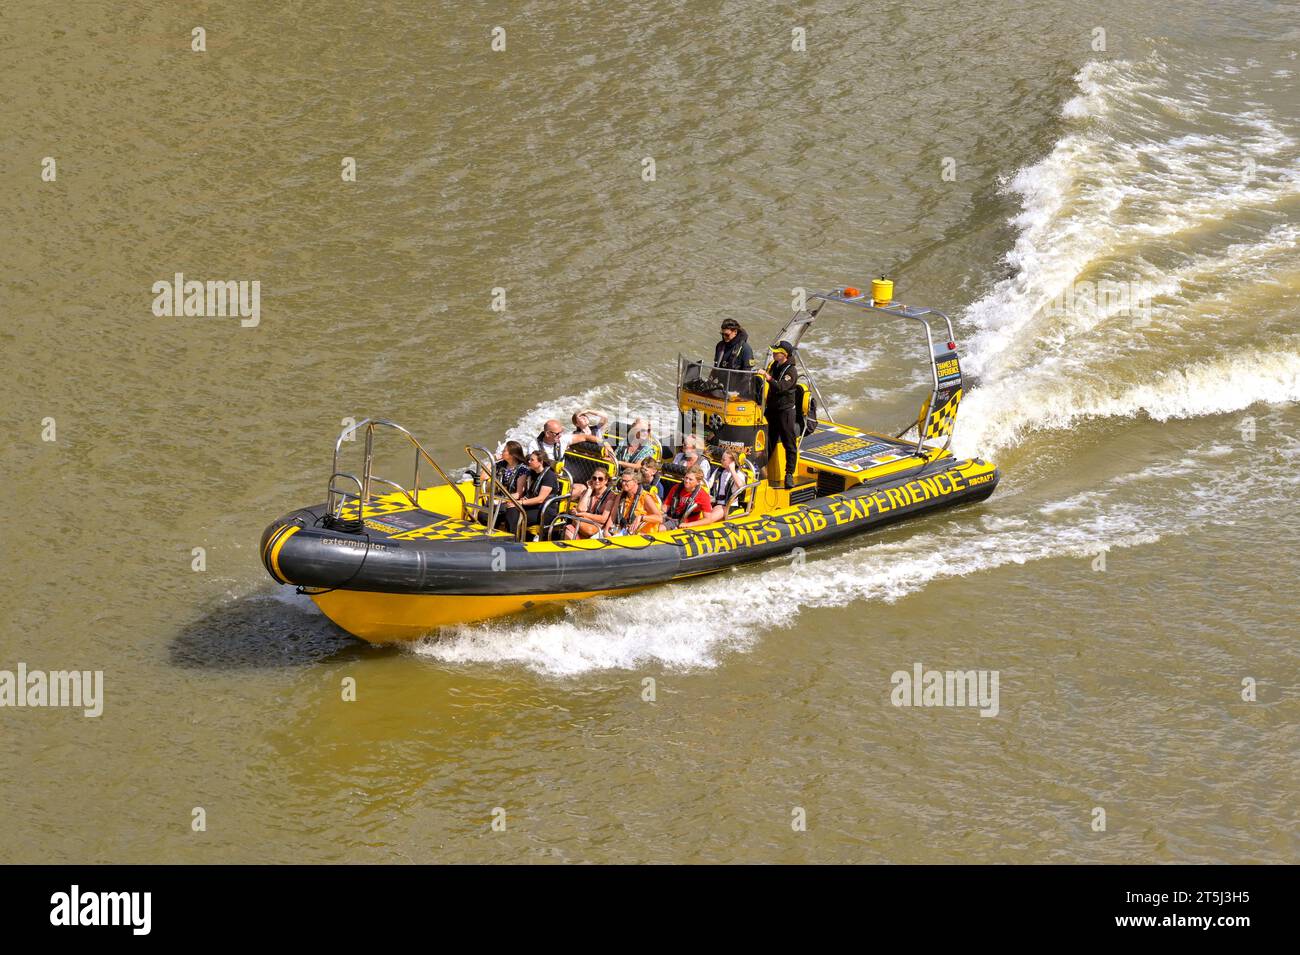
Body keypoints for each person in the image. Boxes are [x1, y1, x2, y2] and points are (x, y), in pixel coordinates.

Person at [763, 340, 800, 489]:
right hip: (772, 410)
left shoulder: (791, 371)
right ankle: (761, 470)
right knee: (768, 441)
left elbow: (781, 387)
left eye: (776, 351)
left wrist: (768, 378)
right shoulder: (774, 365)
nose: (773, 353)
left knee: (789, 443)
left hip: (785, 411)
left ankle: (789, 473)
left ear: (783, 354)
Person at [498, 450, 560, 538]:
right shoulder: (533, 473)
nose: (529, 462)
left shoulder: (549, 476)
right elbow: (530, 492)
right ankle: (511, 537)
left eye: (532, 460)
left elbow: (540, 499)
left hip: (544, 510)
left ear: (541, 462)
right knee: (509, 509)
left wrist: (520, 503)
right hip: (532, 506)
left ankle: (513, 540)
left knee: (514, 514)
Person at [564, 466, 616, 539]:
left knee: (576, 525)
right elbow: (581, 509)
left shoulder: (610, 496)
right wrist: (589, 490)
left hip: (596, 527)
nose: (597, 481)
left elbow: (603, 519)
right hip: (583, 522)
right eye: (594, 478)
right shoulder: (587, 492)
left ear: (606, 481)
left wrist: (583, 514)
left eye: (600, 479)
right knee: (568, 531)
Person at [701, 447, 747, 524]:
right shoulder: (719, 471)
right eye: (721, 459)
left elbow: (741, 486)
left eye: (724, 460)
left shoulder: (738, 473)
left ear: (732, 462)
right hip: (716, 501)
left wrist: (732, 470)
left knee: (709, 518)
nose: (721, 461)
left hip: (729, 505)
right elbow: (709, 484)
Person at [609, 468, 660, 535]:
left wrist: (641, 517)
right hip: (621, 531)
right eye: (622, 481)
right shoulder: (621, 495)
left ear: (635, 481)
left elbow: (659, 518)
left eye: (626, 481)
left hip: (642, 535)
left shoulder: (645, 497)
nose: (623, 484)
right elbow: (612, 516)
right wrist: (606, 532)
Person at [715, 318, 757, 396]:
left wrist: (738, 393)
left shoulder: (745, 349)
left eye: (727, 334)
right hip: (721, 389)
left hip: (736, 392)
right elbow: (715, 367)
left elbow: (747, 375)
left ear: (735, 332)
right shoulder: (720, 346)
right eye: (722, 334)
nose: (724, 337)